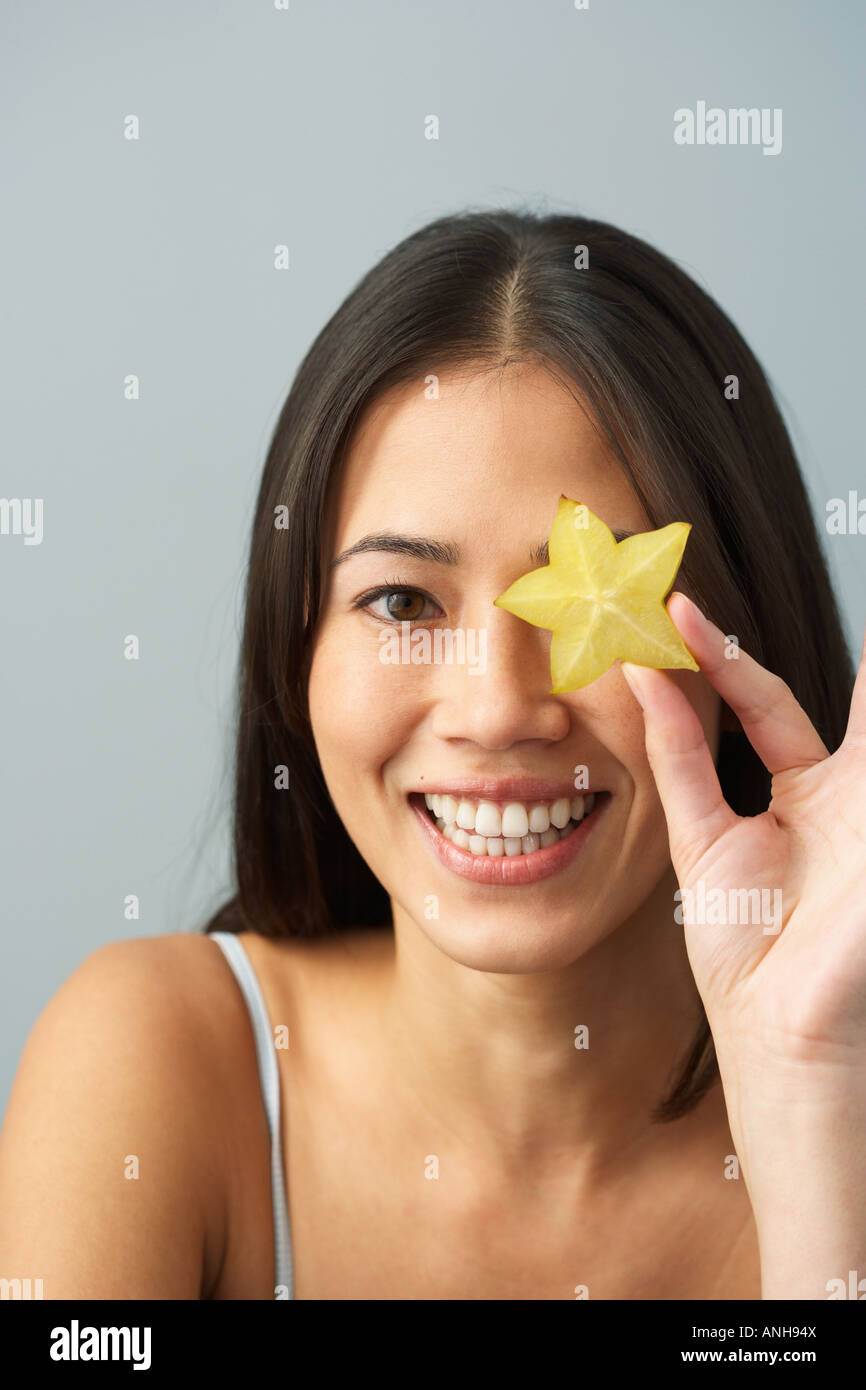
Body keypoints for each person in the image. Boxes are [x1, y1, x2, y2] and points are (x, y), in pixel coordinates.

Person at [1, 209, 864, 1300]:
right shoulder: (157, 1057)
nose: (497, 707)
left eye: (587, 598)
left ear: (736, 648)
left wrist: (805, 1095)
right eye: (401, 600)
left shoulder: (838, 1097)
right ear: (294, 644)